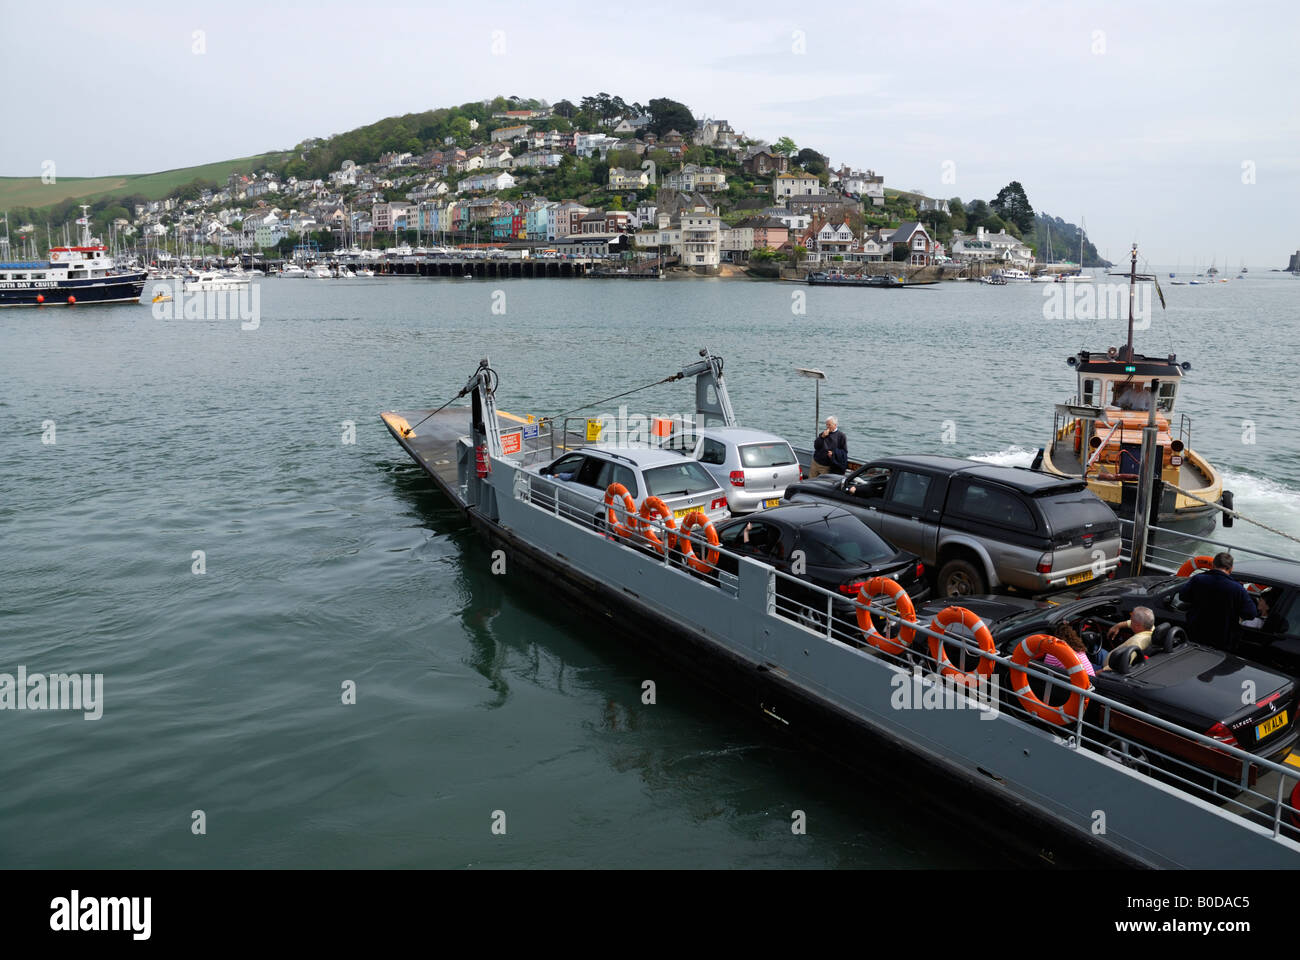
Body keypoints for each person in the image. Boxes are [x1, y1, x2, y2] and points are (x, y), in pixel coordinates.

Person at [1179, 552, 1256, 650]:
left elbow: (1183, 596)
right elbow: (1251, 613)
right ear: (1231, 569)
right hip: (1221, 638)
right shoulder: (1237, 588)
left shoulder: (1198, 579)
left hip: (1195, 630)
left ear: (1213, 565)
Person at [1101, 606, 1156, 671]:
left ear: (1138, 626)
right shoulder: (1151, 627)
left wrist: (1101, 671)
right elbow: (1131, 623)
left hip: (1107, 666)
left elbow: (1122, 664)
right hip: (1109, 658)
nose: (1130, 619)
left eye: (1131, 619)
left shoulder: (1136, 642)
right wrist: (1118, 625)